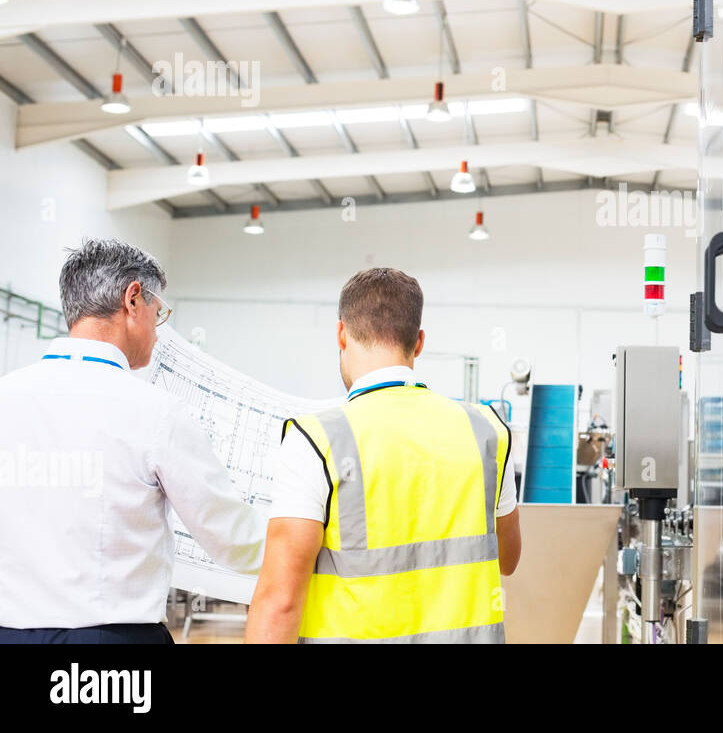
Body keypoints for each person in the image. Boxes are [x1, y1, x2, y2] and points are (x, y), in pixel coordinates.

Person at [0, 239, 265, 643]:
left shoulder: (7, 395)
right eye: (159, 315)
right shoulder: (157, 412)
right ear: (133, 300)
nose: (158, 334)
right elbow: (235, 540)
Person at [246, 267, 522, 643]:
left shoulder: (315, 440)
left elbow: (280, 601)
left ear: (341, 333)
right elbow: (508, 558)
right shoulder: (485, 431)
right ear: (419, 342)